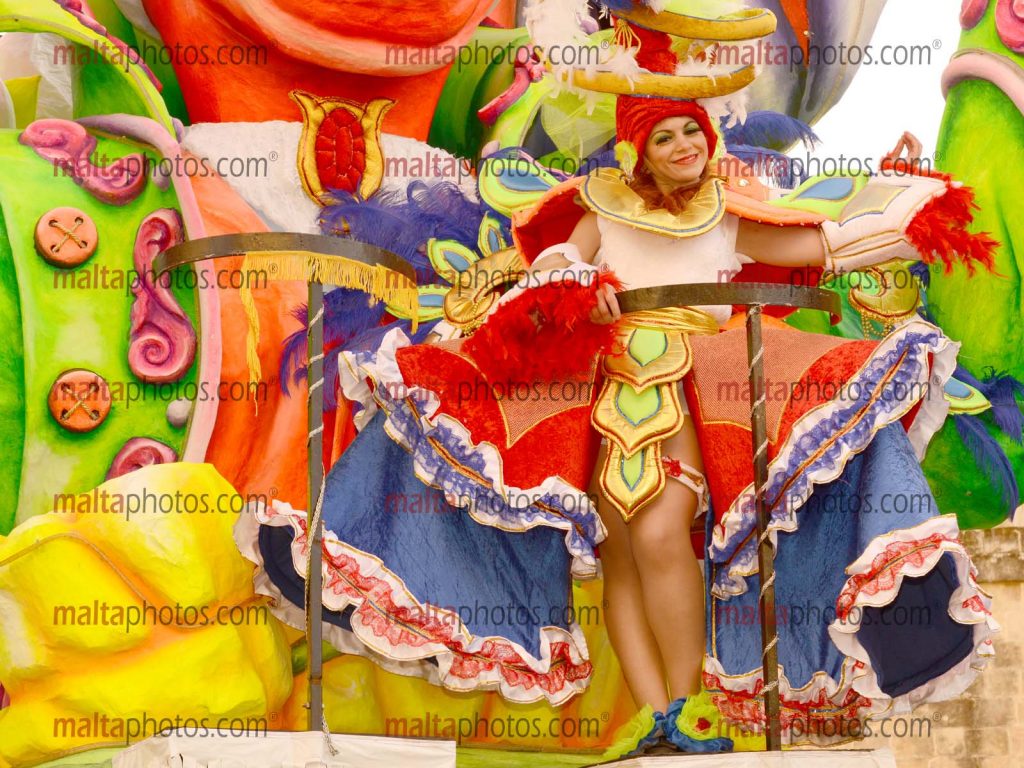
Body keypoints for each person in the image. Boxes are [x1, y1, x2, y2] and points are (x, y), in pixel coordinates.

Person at [237, 9, 998, 756]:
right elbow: (548, 269)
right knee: (626, 552)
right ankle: (658, 713)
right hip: (601, 389)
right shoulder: (602, 207)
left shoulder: (725, 215)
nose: (683, 147)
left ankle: (696, 701)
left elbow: (823, 247)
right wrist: (576, 287)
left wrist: (916, 213)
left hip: (698, 382)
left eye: (693, 133)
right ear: (637, 148)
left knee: (666, 534)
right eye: (664, 136)